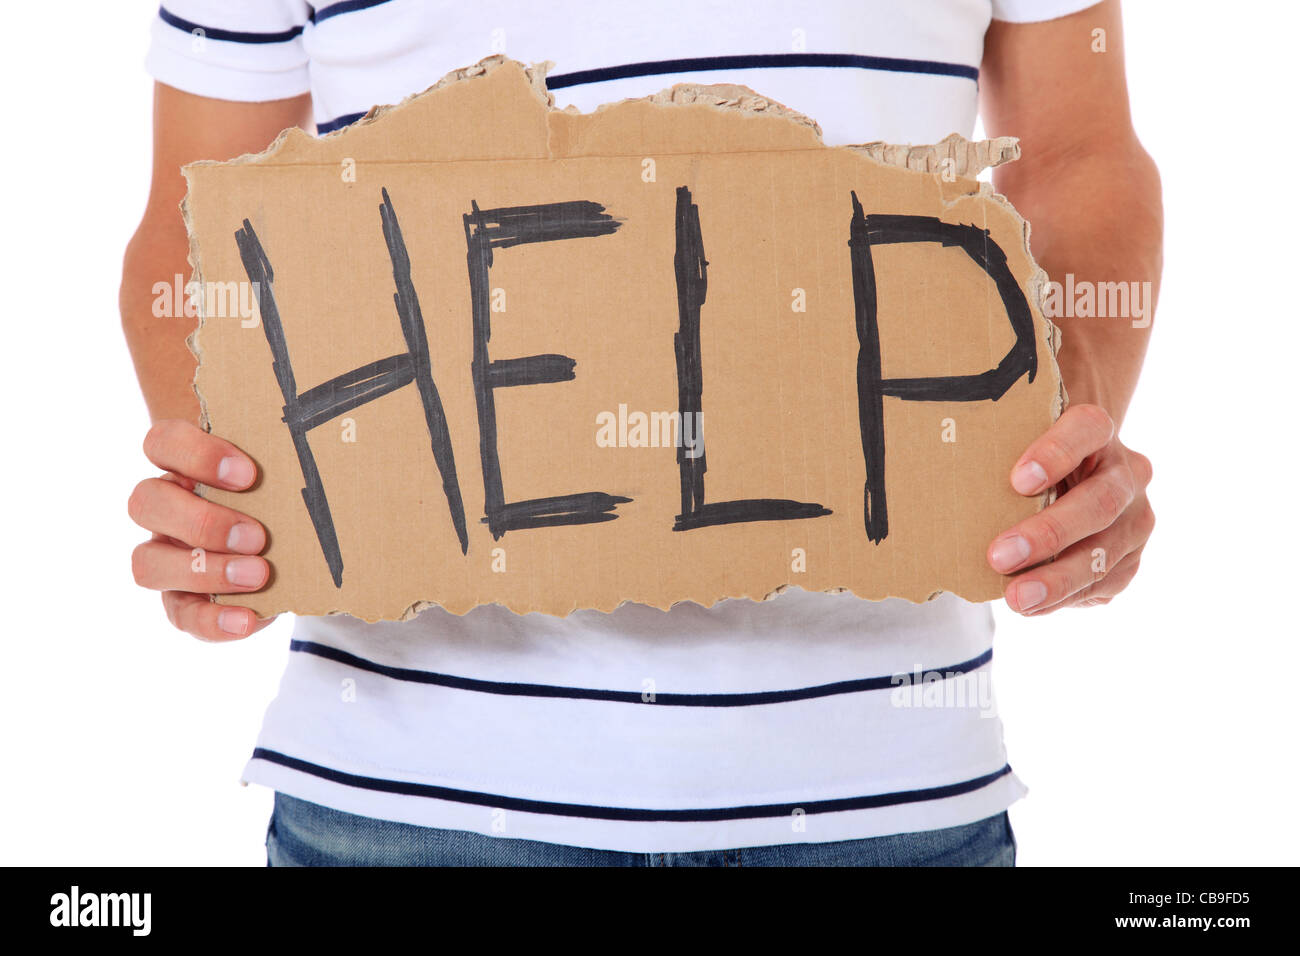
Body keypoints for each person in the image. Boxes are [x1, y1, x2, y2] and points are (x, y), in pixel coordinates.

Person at [122, 0, 1159, 866]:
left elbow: (1077, 146)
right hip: (407, 799)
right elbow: (194, 208)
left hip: (886, 791)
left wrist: (1070, 429)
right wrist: (234, 487)